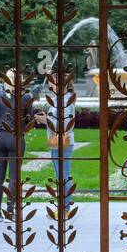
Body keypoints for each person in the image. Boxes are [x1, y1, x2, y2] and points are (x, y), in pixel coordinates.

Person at [0, 70, 33, 221]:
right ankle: (10, 210)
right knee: (14, 177)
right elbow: (29, 120)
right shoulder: (26, 98)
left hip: (1, 137)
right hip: (16, 137)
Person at [36, 67, 76, 211]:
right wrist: (46, 118)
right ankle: (62, 206)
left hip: (62, 142)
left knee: (64, 176)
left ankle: (65, 208)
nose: (50, 85)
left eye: (52, 83)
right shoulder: (59, 99)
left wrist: (45, 120)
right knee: (60, 176)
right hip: (56, 141)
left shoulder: (65, 100)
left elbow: (63, 123)